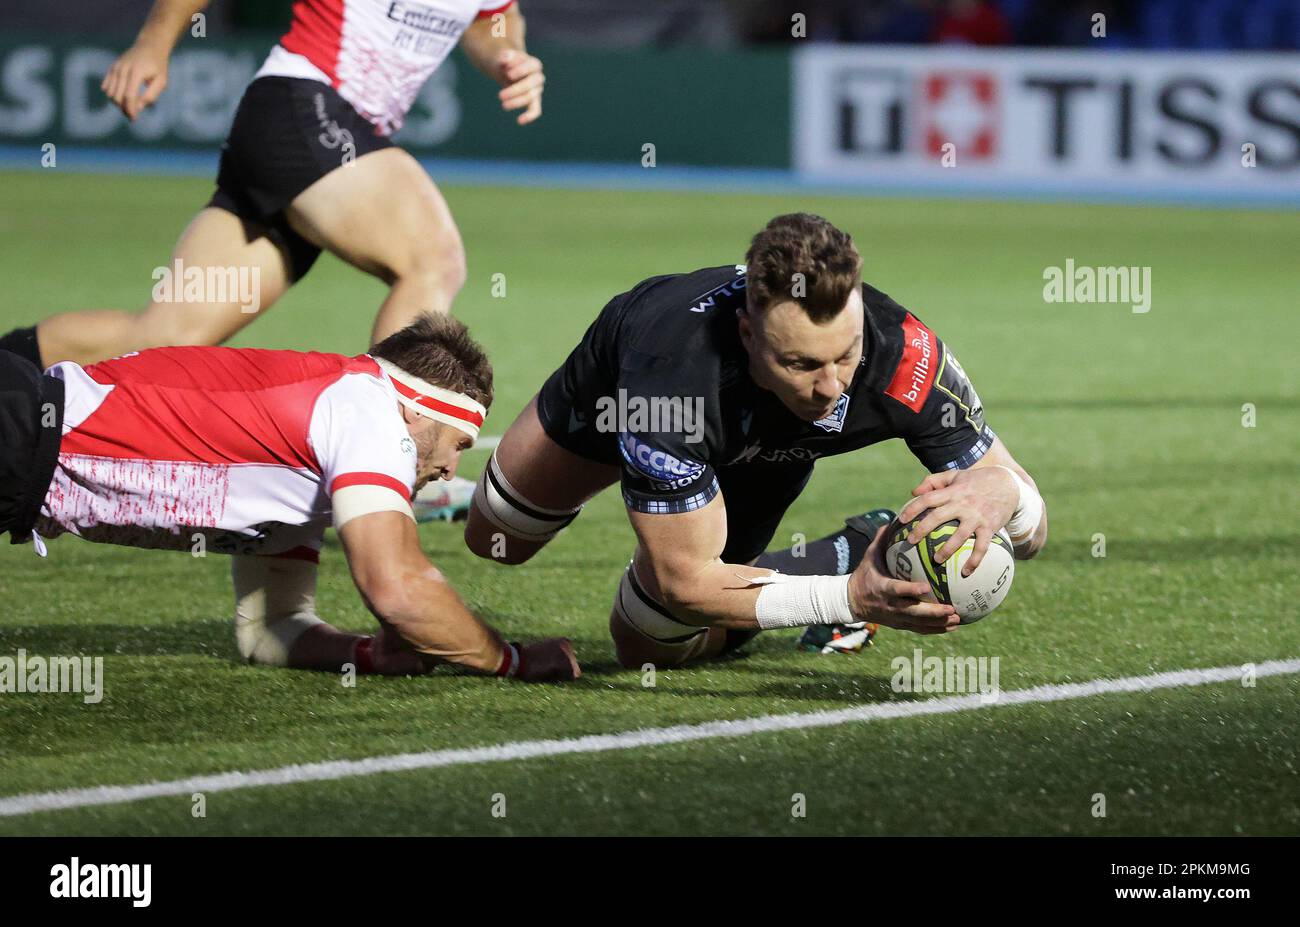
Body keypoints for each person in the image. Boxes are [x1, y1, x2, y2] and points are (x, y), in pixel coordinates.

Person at [0, 0, 546, 518]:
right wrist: (154, 42)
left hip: (311, 131)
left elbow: (491, 19)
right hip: (307, 104)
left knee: (164, 336)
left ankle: (7, 372)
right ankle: (388, 459)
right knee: (432, 259)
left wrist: (508, 57)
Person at [463, 213, 1048, 668]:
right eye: (799, 363)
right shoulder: (672, 380)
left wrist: (1005, 492)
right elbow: (685, 581)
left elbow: (1032, 533)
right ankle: (821, 561)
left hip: (769, 456)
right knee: (494, 539)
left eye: (845, 355)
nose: (828, 387)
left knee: (645, 645)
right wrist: (850, 598)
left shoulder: (907, 359)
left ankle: (843, 550)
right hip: (624, 389)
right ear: (748, 332)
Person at [0, 315, 578, 682]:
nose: (451, 468)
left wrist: (371, 654)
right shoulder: (367, 408)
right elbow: (397, 587)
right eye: (457, 443)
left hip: (20, 465)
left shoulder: (310, 476)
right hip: (17, 429)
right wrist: (513, 659)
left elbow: (269, 630)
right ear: (416, 410)